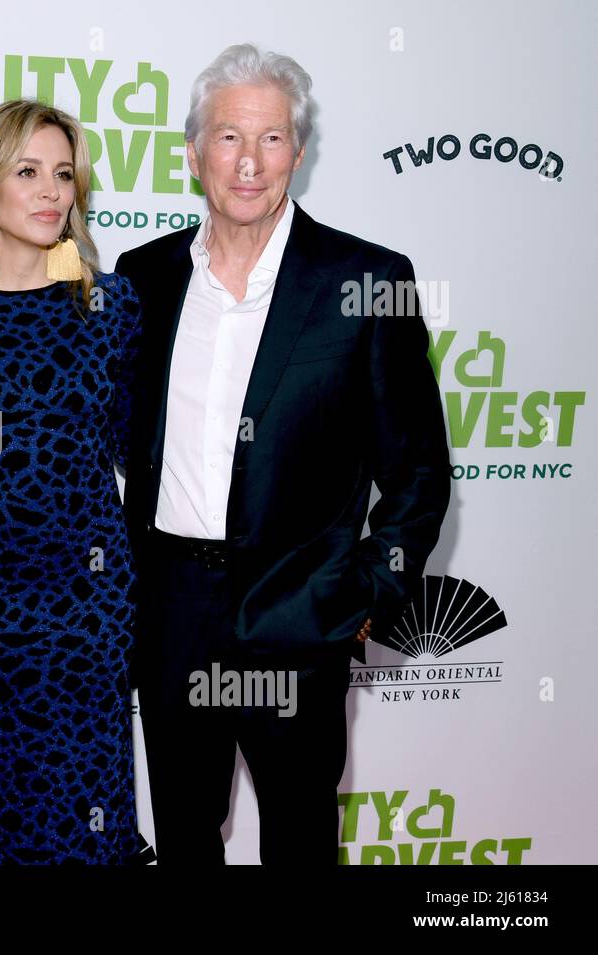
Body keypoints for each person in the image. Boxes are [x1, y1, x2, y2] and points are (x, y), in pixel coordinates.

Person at [115, 44, 451, 862]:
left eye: (272, 139)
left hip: (301, 614)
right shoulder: (142, 277)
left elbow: (418, 469)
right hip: (171, 615)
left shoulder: (366, 279)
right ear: (193, 153)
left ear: (298, 153)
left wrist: (360, 594)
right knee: (184, 837)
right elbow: (96, 424)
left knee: (300, 840)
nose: (250, 161)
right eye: (229, 137)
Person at [0, 99, 142, 863]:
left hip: (88, 606)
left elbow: (143, 447)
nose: (51, 192)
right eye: (28, 172)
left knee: (86, 813)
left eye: (64, 174)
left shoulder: (112, 307)